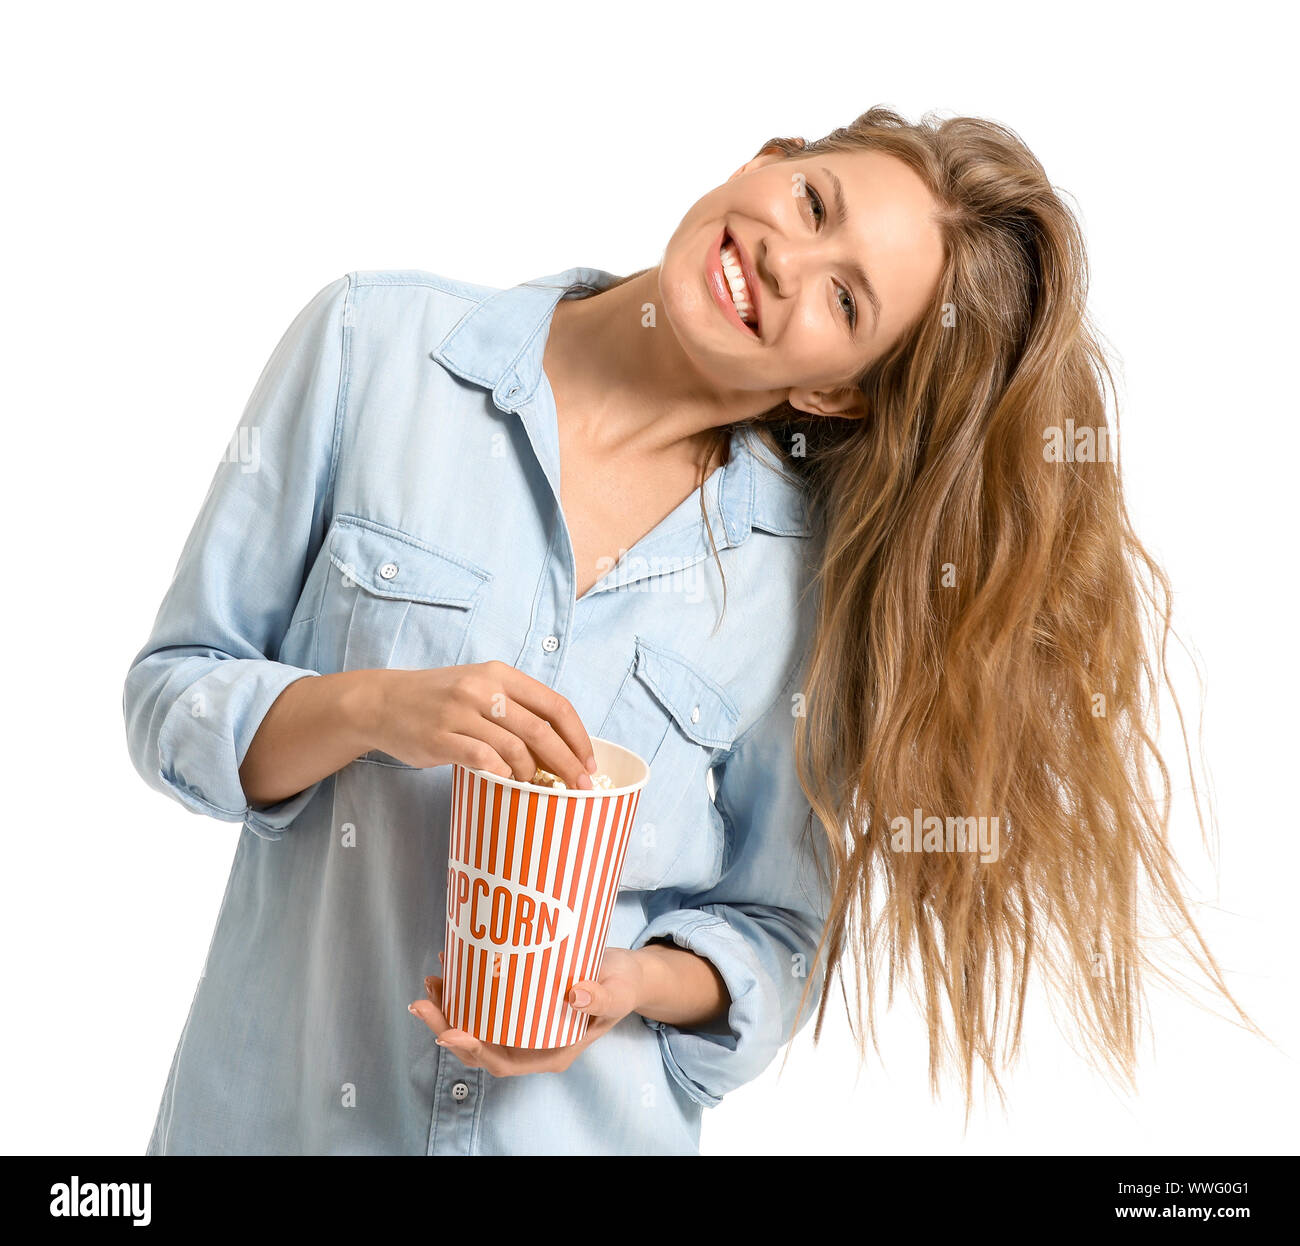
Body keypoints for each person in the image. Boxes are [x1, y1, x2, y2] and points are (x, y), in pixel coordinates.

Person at [123, 106, 1251, 1156]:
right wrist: (372, 707)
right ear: (765, 161)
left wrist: (629, 986)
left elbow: (776, 932)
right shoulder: (376, 347)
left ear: (834, 396)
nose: (782, 260)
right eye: (812, 204)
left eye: (845, 303)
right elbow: (174, 696)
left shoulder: (802, 594)